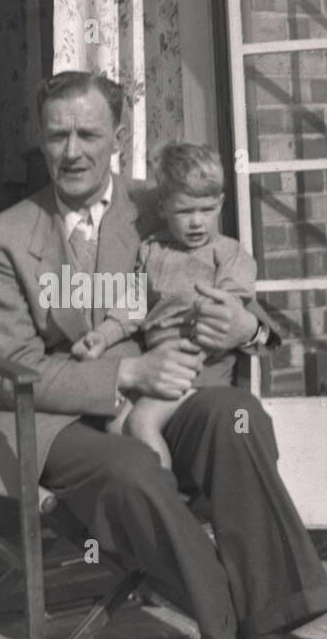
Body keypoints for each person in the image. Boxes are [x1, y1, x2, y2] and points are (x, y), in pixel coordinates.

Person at [0, 71, 327, 639]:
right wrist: (126, 366)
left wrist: (249, 330)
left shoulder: (160, 204)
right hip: (56, 417)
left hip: (165, 394)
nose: (71, 151)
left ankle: (264, 634)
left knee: (234, 418)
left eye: (88, 134)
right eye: (56, 134)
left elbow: (225, 276)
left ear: (117, 139)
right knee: (132, 471)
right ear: (40, 140)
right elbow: (19, 368)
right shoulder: (4, 236)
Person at [70, 141, 258, 469]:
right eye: (185, 212)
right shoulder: (152, 251)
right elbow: (133, 306)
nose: (197, 222)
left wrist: (190, 355)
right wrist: (101, 336)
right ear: (162, 207)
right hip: (158, 364)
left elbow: (226, 313)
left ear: (221, 204)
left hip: (200, 366)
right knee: (115, 424)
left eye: (207, 209)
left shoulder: (228, 254)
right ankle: (151, 495)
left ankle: (165, 505)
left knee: (141, 423)